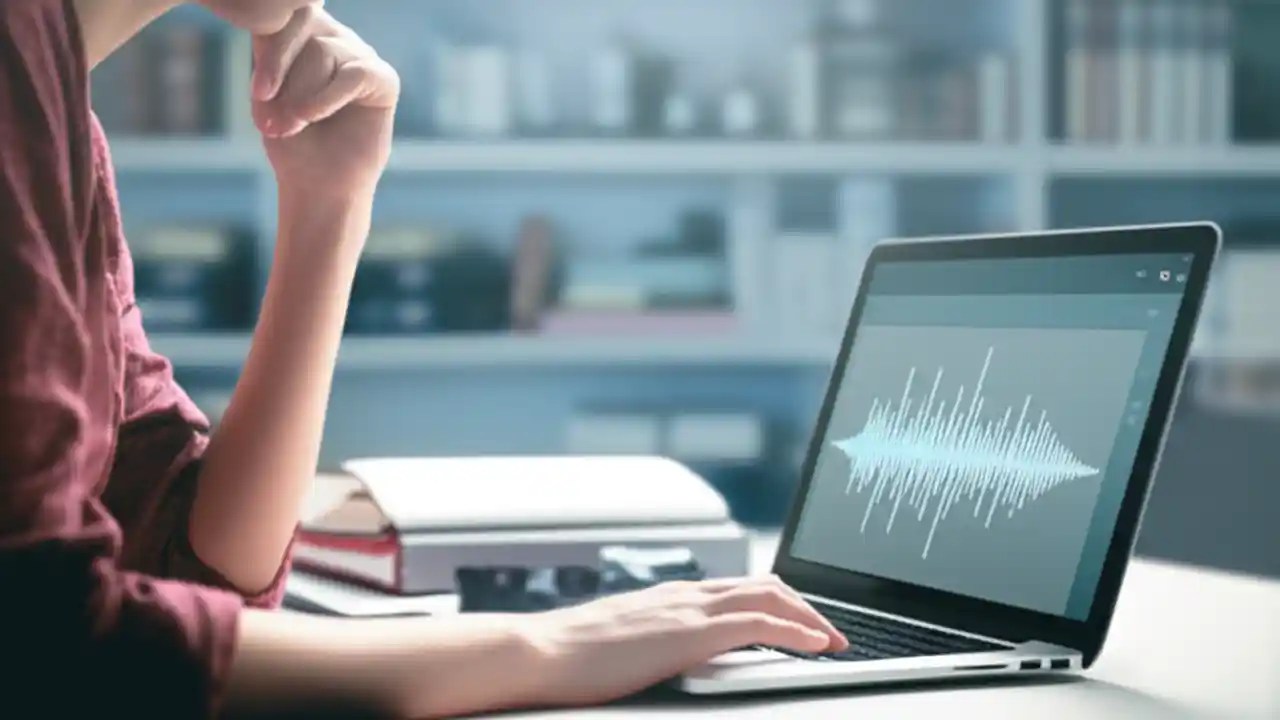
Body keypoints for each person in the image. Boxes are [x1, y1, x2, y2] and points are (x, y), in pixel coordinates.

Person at [0, 1, 848, 717]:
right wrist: (540, 647)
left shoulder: (64, 120)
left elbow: (192, 581)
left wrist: (329, 208)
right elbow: (50, 647)